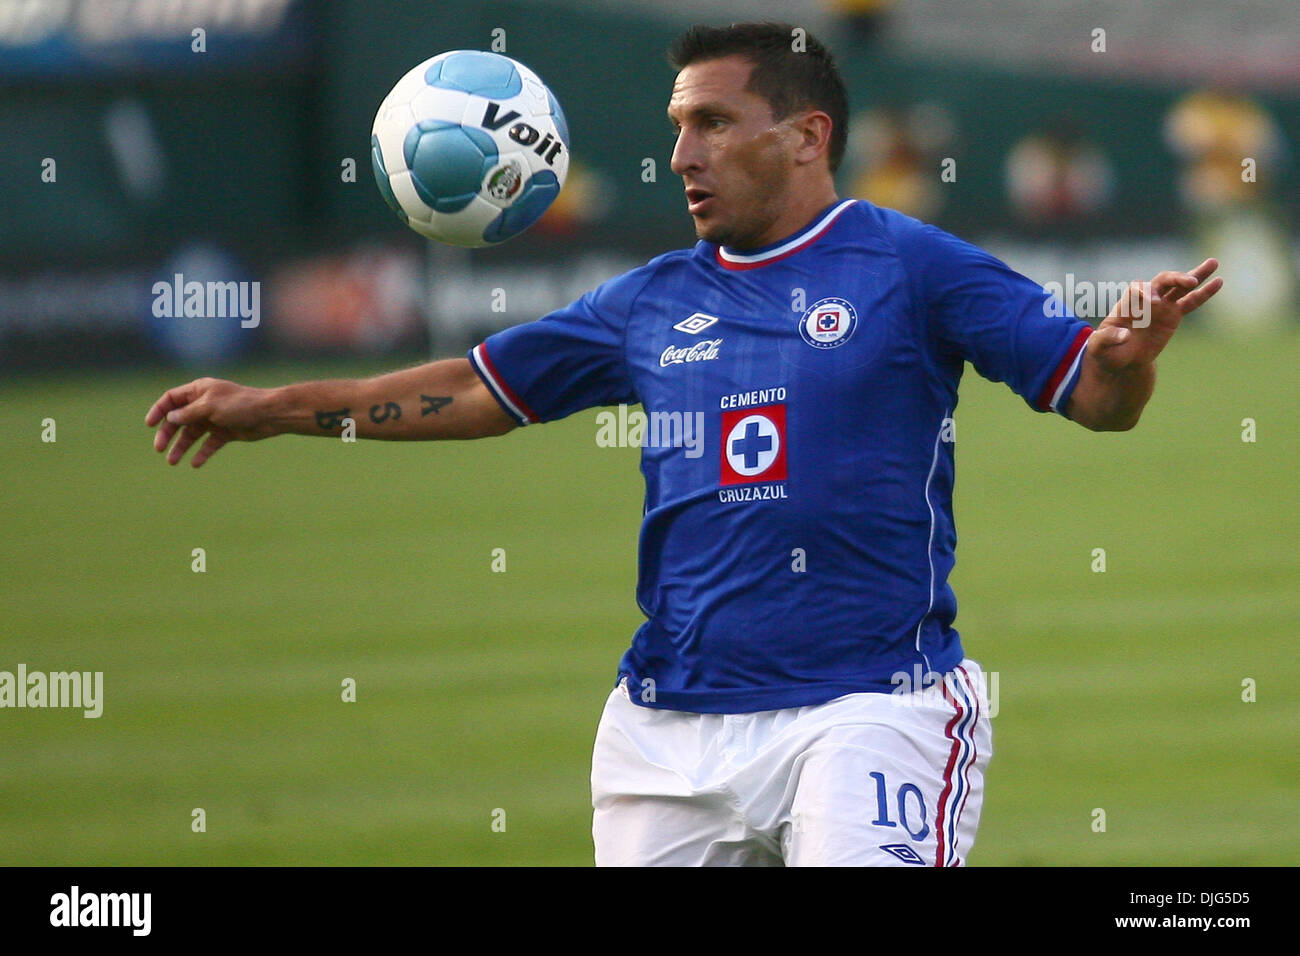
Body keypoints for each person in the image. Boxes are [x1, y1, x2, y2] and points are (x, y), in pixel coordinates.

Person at [145, 23, 1222, 866]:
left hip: (867, 711)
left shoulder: (911, 263)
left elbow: (1091, 393)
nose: (679, 154)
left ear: (805, 136)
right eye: (676, 125)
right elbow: (474, 388)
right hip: (667, 731)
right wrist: (278, 406)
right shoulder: (648, 300)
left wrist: (1126, 356)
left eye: (711, 123)